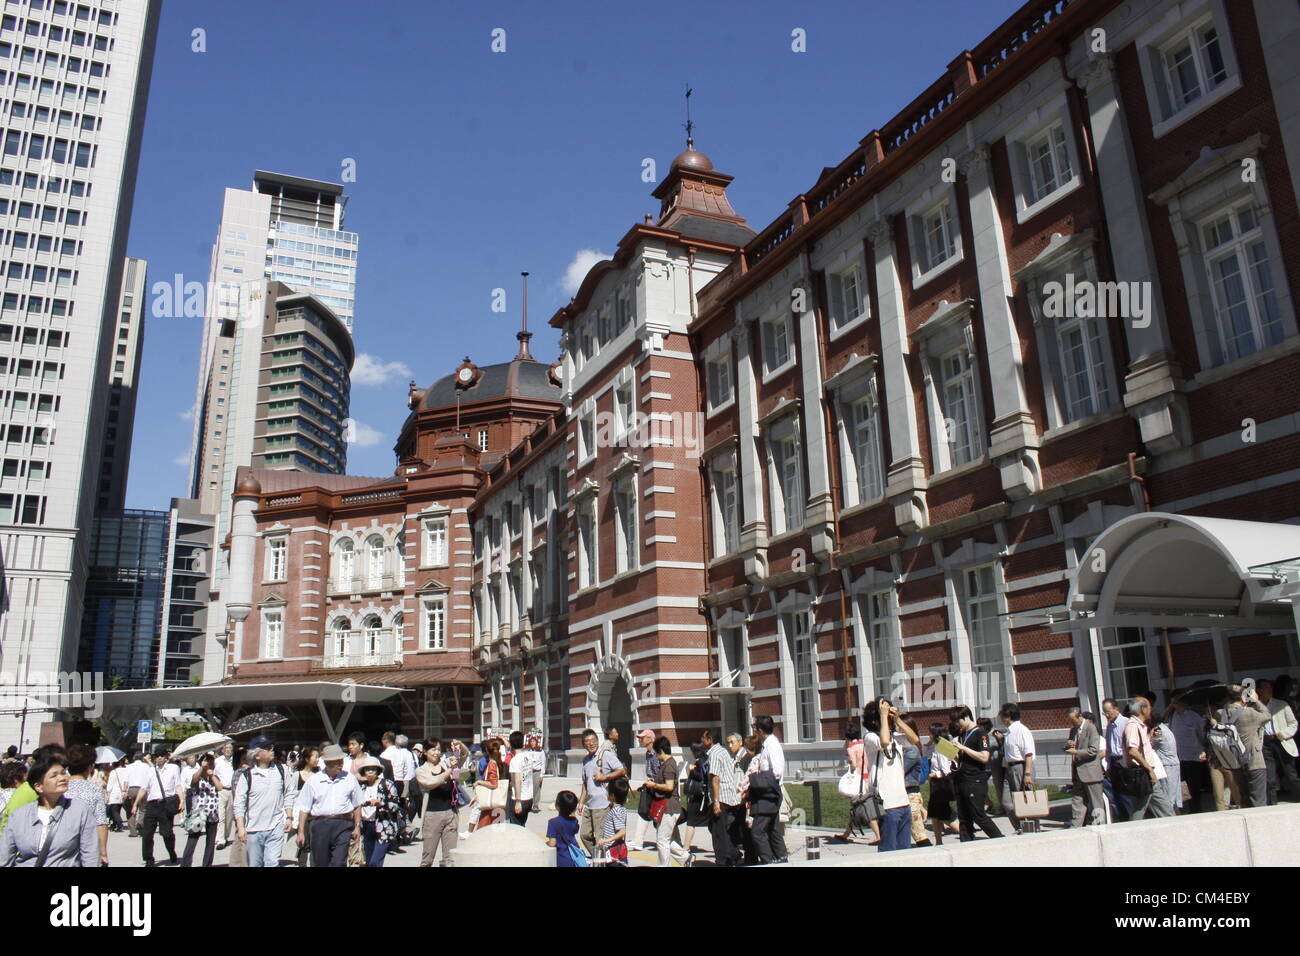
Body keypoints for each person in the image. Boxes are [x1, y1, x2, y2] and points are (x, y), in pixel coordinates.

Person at [0, 752, 98, 866]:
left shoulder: (80, 810)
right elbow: (4, 858)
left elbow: (90, 855)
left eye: (63, 773)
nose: (62, 778)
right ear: (38, 786)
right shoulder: (18, 816)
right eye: (54, 775)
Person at [862, 699, 917, 852]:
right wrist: (883, 716)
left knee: (904, 851)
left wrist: (898, 718)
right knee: (888, 852)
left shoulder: (896, 737)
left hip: (903, 803)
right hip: (887, 804)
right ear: (875, 720)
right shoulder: (871, 738)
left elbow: (914, 740)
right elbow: (884, 741)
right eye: (883, 716)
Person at [233, 735, 296, 867]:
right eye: (267, 748)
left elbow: (289, 793)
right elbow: (239, 803)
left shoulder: (282, 770)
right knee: (255, 864)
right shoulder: (247, 776)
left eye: (271, 747)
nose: (271, 750)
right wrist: (240, 827)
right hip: (253, 829)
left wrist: (289, 817)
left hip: (276, 826)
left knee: (272, 863)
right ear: (257, 755)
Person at [950, 705, 1003, 841]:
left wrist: (963, 748)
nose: (957, 725)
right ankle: (966, 843)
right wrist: (952, 752)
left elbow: (984, 757)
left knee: (978, 814)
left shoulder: (981, 734)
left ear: (966, 717)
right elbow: (962, 757)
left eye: (958, 721)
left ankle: (999, 838)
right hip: (961, 778)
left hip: (975, 780)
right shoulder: (962, 735)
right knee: (963, 817)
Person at [644, 736, 691, 866]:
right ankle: (685, 857)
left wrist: (654, 786)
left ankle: (664, 865)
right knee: (667, 839)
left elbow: (669, 787)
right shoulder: (668, 764)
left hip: (669, 807)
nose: (656, 756)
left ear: (661, 751)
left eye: (656, 753)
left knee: (662, 841)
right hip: (667, 807)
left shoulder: (669, 765)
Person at [1123, 697, 1172, 819]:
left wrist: (1149, 737)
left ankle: (1173, 829)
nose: (1151, 710)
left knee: (1165, 808)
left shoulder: (1141, 726)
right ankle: (1132, 833)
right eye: (1149, 707)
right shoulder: (1132, 726)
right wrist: (1149, 769)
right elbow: (1133, 750)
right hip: (1142, 775)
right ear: (1143, 709)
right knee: (1138, 811)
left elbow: (1139, 748)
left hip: (1148, 776)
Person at [577, 727, 625, 854]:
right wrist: (581, 802)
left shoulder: (606, 755)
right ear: (583, 744)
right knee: (584, 835)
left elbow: (622, 770)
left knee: (600, 838)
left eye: (593, 740)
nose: (591, 743)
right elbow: (585, 783)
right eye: (587, 741)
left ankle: (601, 860)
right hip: (589, 805)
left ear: (598, 741)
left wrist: (605, 777)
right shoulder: (585, 760)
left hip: (603, 804)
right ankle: (599, 858)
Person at [1224, 683, 1271, 808]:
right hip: (1254, 760)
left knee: (1244, 798)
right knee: (1258, 800)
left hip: (1235, 762)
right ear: (1243, 698)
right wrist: (1256, 701)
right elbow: (1267, 715)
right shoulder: (1248, 713)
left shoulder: (1222, 714)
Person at [134, 749, 182, 866]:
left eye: (161, 756)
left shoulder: (173, 768)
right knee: (147, 834)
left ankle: (171, 851)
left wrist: (182, 801)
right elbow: (143, 788)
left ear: (166, 757)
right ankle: (149, 859)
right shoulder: (150, 771)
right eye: (157, 756)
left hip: (166, 804)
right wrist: (135, 804)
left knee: (166, 833)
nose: (159, 758)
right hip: (152, 804)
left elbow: (178, 785)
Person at [64, 744, 110, 867]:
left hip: (60, 845)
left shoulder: (60, 787)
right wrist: (103, 853)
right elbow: (100, 823)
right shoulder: (95, 789)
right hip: (87, 845)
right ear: (90, 767)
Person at [750, 715, 787, 863]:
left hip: (769, 793)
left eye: (755, 730)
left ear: (760, 730)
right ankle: (781, 858)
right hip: (766, 792)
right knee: (772, 830)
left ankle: (768, 861)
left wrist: (756, 778)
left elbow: (776, 772)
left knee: (757, 832)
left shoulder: (772, 745)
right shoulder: (768, 744)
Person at [415, 739, 458, 867]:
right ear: (425, 752)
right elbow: (431, 782)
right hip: (432, 816)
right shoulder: (421, 770)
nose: (437, 752)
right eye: (433, 749)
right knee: (428, 857)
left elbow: (463, 756)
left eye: (439, 749)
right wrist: (449, 772)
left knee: (450, 858)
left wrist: (458, 747)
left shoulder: (445, 764)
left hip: (450, 814)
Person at [355, 756, 402, 867]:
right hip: (367, 825)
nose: (370, 772)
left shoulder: (387, 784)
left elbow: (396, 804)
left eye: (373, 769)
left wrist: (381, 804)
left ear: (378, 771)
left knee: (375, 862)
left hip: (384, 826)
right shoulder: (361, 787)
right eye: (367, 769)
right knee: (368, 860)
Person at [706, 730, 743, 866]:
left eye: (704, 737)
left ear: (710, 739)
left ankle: (723, 861)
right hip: (729, 795)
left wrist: (716, 801)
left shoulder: (715, 754)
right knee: (720, 829)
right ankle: (733, 854)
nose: (702, 740)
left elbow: (715, 778)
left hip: (721, 797)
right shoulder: (723, 751)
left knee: (718, 833)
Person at [1166, 697, 1210, 812]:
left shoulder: (1193, 716)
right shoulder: (1173, 716)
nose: (1175, 705)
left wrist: (1204, 747)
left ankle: (1196, 807)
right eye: (1173, 703)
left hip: (1194, 754)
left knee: (1194, 784)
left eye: (1176, 702)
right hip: (1179, 756)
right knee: (1183, 784)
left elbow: (1201, 733)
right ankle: (1187, 807)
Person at [1258, 680, 1299, 803]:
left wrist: (1282, 734)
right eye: (1266, 688)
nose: (1269, 690)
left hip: (1281, 741)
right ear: (1259, 691)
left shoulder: (1281, 704)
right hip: (1265, 744)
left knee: (1291, 775)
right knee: (1270, 778)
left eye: (1270, 688)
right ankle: (1272, 804)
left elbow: (1293, 723)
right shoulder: (1255, 707)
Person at [998, 702, 1036, 835]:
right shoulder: (1008, 732)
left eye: (1002, 715)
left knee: (1026, 800)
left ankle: (1031, 828)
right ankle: (1019, 826)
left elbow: (1028, 753)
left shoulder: (1021, 730)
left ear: (1008, 716)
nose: (1001, 718)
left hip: (1021, 767)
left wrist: (1027, 774)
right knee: (1007, 802)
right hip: (1009, 768)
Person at [1065, 706, 1105, 827]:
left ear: (1080, 716)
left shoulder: (1091, 728)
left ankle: (1100, 826)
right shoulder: (1073, 731)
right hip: (1078, 773)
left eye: (1073, 720)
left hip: (1091, 773)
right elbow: (1072, 747)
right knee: (1077, 802)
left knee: (1096, 803)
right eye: (1070, 721)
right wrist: (1069, 744)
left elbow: (1093, 751)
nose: (1072, 723)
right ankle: (1075, 827)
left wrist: (1076, 752)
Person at [181, 755, 221, 868]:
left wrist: (211, 775)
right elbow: (194, 780)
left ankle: (207, 864)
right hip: (198, 812)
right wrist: (202, 769)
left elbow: (220, 787)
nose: (210, 765)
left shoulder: (215, 777)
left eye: (212, 763)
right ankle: (185, 864)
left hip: (212, 812)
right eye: (208, 762)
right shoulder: (198, 777)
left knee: (210, 841)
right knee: (192, 838)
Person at [926, 722, 959, 845]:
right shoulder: (937, 746)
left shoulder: (942, 747)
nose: (929, 735)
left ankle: (963, 832)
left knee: (944, 815)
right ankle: (938, 841)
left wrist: (935, 775)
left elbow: (946, 769)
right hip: (936, 784)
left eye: (930, 733)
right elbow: (925, 752)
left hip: (941, 784)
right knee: (934, 814)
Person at [898, 714, 927, 846]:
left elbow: (899, 771)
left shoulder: (911, 750)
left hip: (910, 794)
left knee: (919, 836)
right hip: (903, 794)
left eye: (899, 727)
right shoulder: (903, 749)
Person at [1101, 698, 1131, 822]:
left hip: (1123, 760)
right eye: (1105, 713)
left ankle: (1130, 817)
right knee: (1116, 793)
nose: (1107, 715)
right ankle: (1122, 817)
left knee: (1126, 793)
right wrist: (1108, 765)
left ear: (1116, 709)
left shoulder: (1125, 723)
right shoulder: (1109, 725)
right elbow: (1109, 746)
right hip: (1113, 761)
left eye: (1108, 712)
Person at [1150, 708, 1182, 815]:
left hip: (1167, 765)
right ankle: (1176, 815)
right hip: (1173, 763)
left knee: (1168, 796)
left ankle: (1170, 817)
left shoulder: (1158, 731)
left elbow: (1148, 742)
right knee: (1174, 794)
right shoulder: (1165, 727)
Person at [597, 777, 630, 866]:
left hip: (615, 853)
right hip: (614, 852)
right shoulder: (620, 808)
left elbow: (622, 832)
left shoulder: (616, 811)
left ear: (612, 796)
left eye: (608, 791)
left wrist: (606, 840)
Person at [475, 738, 506, 830]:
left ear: (487, 750)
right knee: (497, 831)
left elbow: (493, 784)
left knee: (483, 831)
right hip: (499, 802)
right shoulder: (499, 763)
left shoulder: (491, 764)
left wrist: (479, 782)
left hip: (490, 804)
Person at [546, 789, 583, 867]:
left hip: (561, 858)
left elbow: (552, 843)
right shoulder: (574, 821)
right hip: (575, 856)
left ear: (557, 806)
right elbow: (575, 830)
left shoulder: (553, 822)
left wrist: (545, 844)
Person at [507, 730, 534, 825]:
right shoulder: (528, 757)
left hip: (519, 799)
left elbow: (517, 780)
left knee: (516, 828)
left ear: (511, 744)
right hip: (529, 798)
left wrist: (518, 801)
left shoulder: (514, 760)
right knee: (522, 825)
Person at [124, 751, 153, 838]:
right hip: (143, 789)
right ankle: (140, 824)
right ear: (142, 758)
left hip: (132, 789)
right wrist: (148, 761)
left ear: (133, 758)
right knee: (143, 809)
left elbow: (126, 781)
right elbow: (153, 770)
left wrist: (124, 791)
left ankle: (133, 831)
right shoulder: (146, 766)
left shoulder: (129, 767)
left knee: (131, 810)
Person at [213, 742, 236, 849]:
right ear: (222, 750)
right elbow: (213, 775)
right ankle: (220, 840)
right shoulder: (217, 761)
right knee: (221, 816)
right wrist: (218, 784)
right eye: (226, 748)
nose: (228, 750)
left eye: (230, 748)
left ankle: (225, 836)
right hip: (222, 790)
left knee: (229, 816)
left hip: (232, 791)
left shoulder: (234, 761)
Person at [981, 717, 1004, 815]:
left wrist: (1001, 739)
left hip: (996, 762)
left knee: (998, 785)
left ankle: (1003, 807)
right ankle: (988, 803)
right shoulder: (981, 735)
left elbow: (1002, 746)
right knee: (980, 784)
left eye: (980, 725)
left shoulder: (995, 733)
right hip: (985, 764)